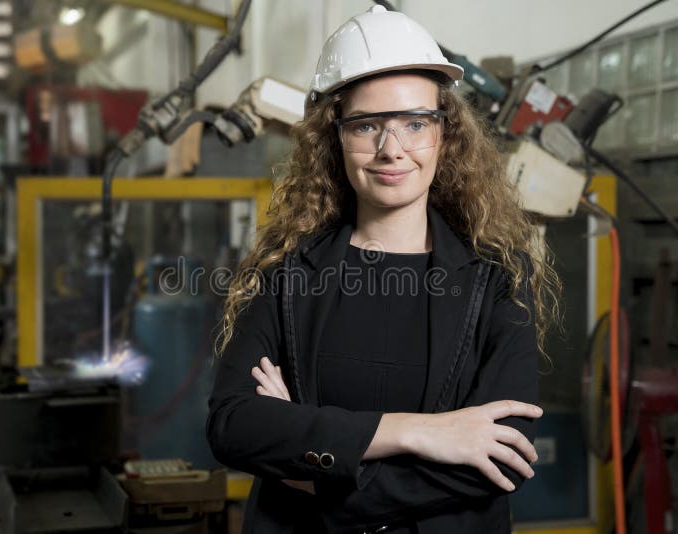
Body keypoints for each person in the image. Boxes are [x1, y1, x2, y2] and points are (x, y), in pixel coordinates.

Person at [206, 5, 560, 533]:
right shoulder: (287, 270)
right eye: (367, 125)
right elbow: (234, 425)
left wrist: (312, 472)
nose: (391, 150)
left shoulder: (499, 277)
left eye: (415, 123)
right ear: (335, 137)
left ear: (445, 134)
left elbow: (504, 454)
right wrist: (415, 432)